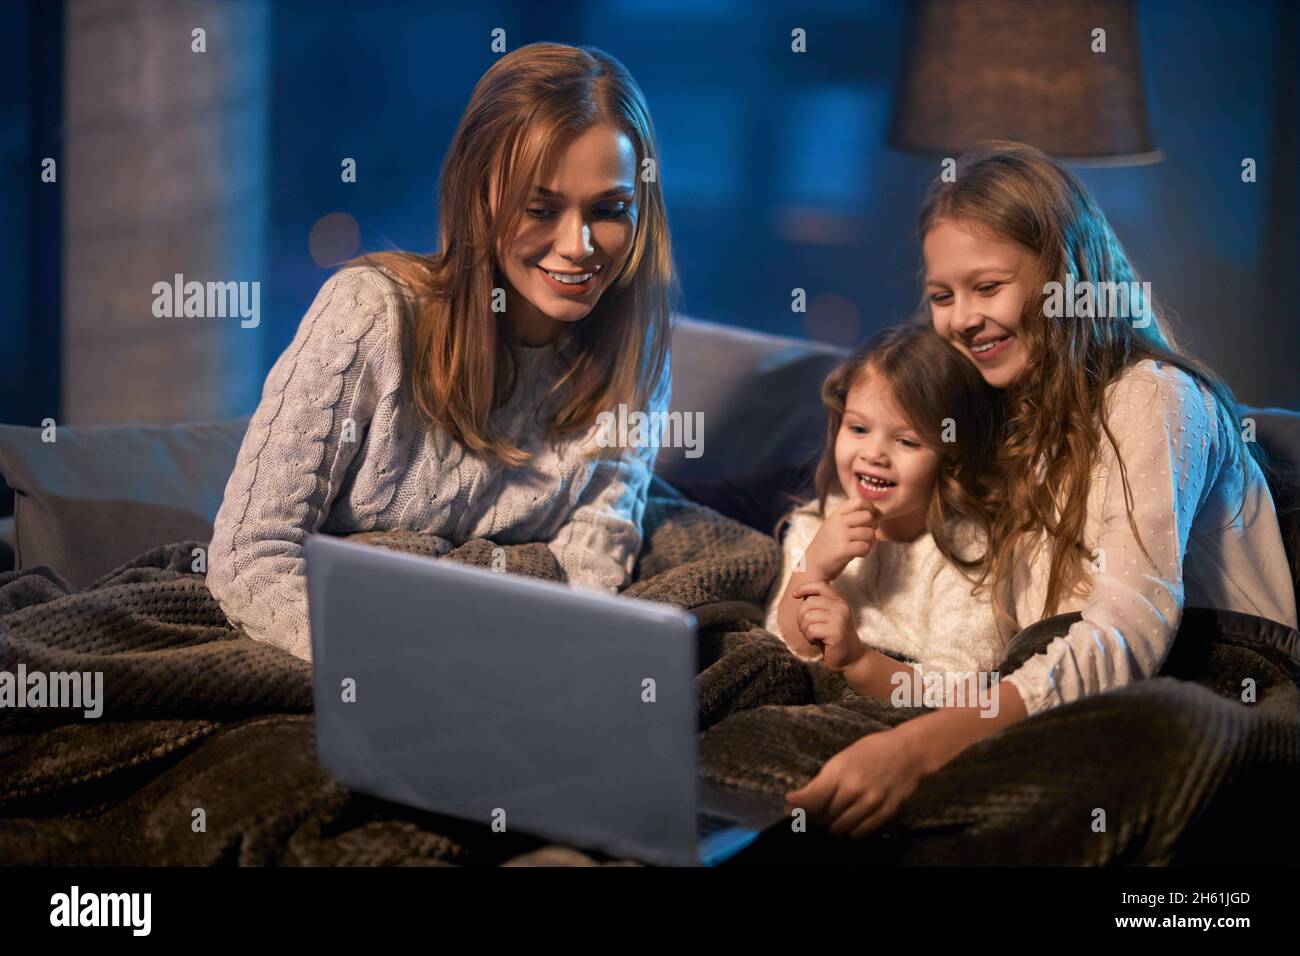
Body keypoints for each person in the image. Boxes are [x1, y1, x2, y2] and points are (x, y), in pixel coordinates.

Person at [787, 141, 1298, 838]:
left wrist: (919, 747)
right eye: (942, 295)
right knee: (795, 726)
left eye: (988, 287)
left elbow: (1127, 632)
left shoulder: (1155, 399)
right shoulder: (1006, 417)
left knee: (1139, 748)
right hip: (1053, 683)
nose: (961, 317)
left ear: (1064, 274)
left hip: (1210, 683)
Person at [207, 43, 675, 662]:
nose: (578, 245)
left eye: (609, 211)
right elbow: (250, 553)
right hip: (336, 652)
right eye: (541, 209)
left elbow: (589, 569)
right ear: (480, 197)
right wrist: (400, 664)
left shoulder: (634, 361)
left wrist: (511, 673)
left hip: (502, 661)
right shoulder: (368, 312)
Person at [763, 323, 1005, 708]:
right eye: (858, 428)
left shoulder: (966, 552)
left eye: (906, 441)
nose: (874, 453)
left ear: (952, 457)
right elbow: (780, 640)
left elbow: (958, 687)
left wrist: (859, 661)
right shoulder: (815, 523)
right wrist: (813, 568)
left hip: (895, 706)